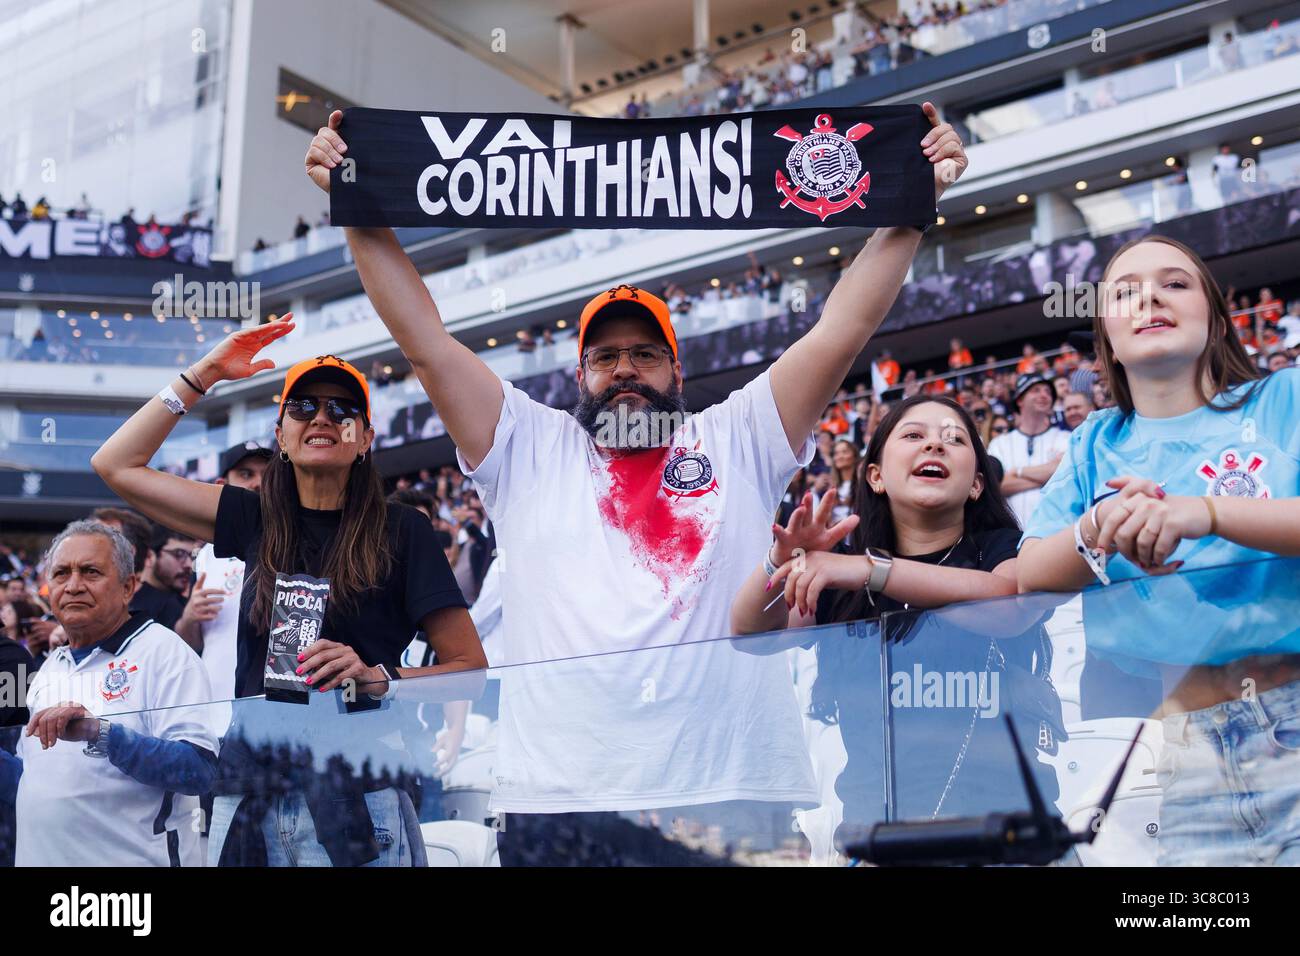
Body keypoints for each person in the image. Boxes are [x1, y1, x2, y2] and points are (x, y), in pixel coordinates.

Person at [303, 103, 969, 820]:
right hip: (561, 807)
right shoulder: (529, 447)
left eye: (645, 354)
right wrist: (356, 206)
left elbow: (843, 328)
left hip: (731, 796)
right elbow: (424, 340)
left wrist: (913, 203)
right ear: (579, 377)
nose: (626, 369)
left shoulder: (736, 436)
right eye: (606, 356)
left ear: (675, 372)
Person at [90, 327, 485, 866]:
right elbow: (115, 464)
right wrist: (202, 375)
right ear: (282, 434)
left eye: (341, 408)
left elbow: (469, 670)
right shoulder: (251, 516)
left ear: (365, 438)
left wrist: (378, 677)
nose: (321, 417)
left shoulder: (402, 530)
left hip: (359, 791)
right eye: (302, 406)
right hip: (252, 789)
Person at [1018, 235, 1300, 866]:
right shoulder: (1094, 443)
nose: (1150, 297)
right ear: (1108, 342)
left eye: (1175, 284)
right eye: (1125, 292)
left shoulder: (1286, 399)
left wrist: (1206, 512)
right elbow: (1027, 575)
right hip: (1176, 750)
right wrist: (1098, 528)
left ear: (1216, 321)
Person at [730, 396, 1060, 836]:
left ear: (977, 484)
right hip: (879, 842)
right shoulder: (840, 576)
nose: (935, 446)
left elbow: (1007, 605)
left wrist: (871, 571)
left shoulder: (1005, 550)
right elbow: (751, 633)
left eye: (954, 439)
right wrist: (779, 560)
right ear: (876, 476)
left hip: (1006, 837)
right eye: (914, 436)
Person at [4, 521, 219, 866]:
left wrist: (100, 733)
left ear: (128, 586)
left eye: (90, 572)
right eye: (61, 573)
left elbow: (199, 770)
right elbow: (35, 780)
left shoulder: (164, 653)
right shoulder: (50, 666)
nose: (73, 586)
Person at [188, 441, 273, 702]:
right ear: (221, 487)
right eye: (246, 474)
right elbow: (191, 644)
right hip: (212, 702)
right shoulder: (205, 555)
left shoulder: (295, 545)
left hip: (269, 707)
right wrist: (189, 617)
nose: (258, 483)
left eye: (268, 475)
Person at [988, 373, 1071, 528]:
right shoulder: (999, 443)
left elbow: (1067, 477)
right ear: (1019, 400)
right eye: (1036, 390)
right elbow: (994, 487)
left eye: (1048, 391)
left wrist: (1016, 472)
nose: (1044, 395)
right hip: (1012, 536)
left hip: (1057, 532)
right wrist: (1050, 474)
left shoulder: (1066, 438)